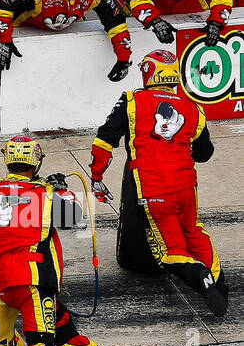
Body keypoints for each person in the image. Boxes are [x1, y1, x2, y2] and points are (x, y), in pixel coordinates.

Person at [0, 136, 113, 346]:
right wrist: (60, 189)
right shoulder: (46, 194)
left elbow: (13, 210)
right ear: (36, 161)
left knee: (62, 323)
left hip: (5, 281)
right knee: (42, 345)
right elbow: (74, 217)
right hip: (33, 282)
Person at [90, 50, 227, 316]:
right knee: (195, 232)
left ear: (148, 72)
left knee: (170, 251)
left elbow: (104, 140)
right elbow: (205, 154)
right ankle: (220, 286)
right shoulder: (194, 109)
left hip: (153, 191)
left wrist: (96, 177)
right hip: (187, 188)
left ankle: (200, 276)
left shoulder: (131, 100)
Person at [0, 0, 131, 78]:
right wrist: (3, 39)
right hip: (26, 27)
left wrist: (123, 59)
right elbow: (2, 2)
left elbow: (116, 22)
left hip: (65, 21)